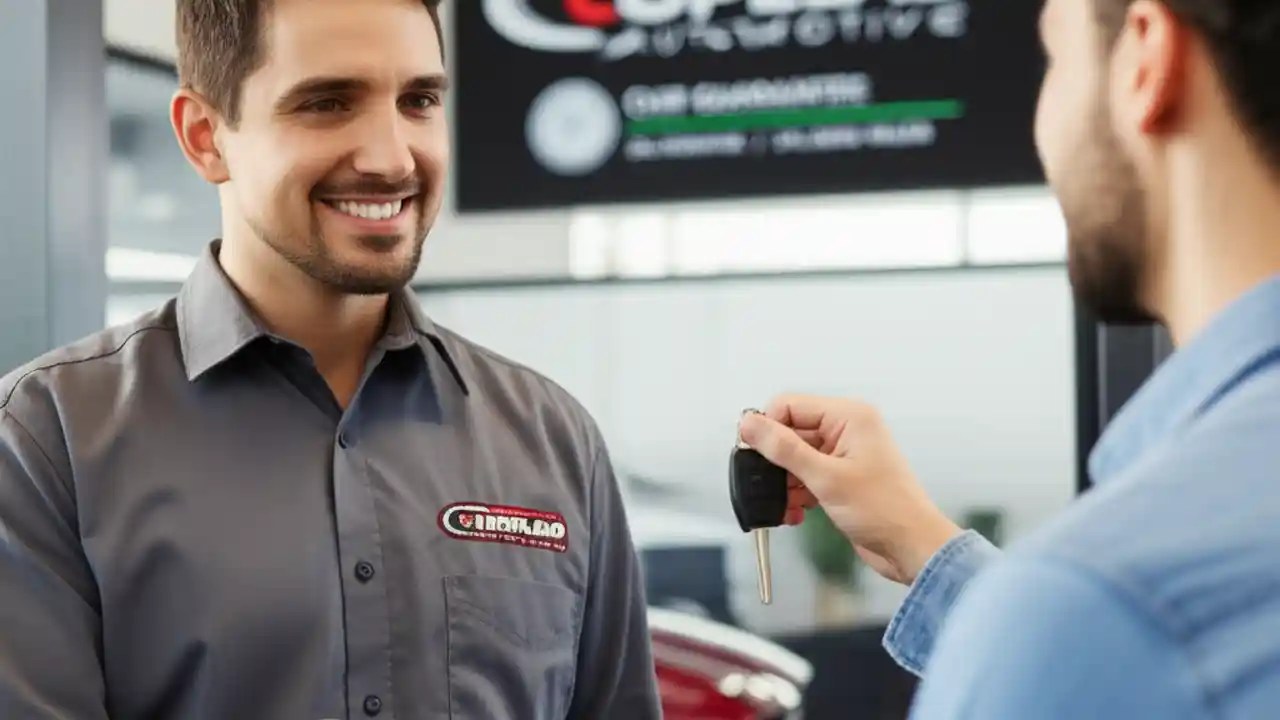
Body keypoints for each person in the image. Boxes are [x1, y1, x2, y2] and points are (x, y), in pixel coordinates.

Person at [0, 0, 660, 718]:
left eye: (419, 100)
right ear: (205, 136)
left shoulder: (554, 441)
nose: (392, 158)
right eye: (327, 103)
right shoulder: (47, 442)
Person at [740, 0, 1280, 716]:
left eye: (1054, 60)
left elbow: (1096, 645)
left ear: (1145, 61)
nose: (1041, 131)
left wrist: (1031, 620)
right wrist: (927, 549)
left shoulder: (1101, 606)